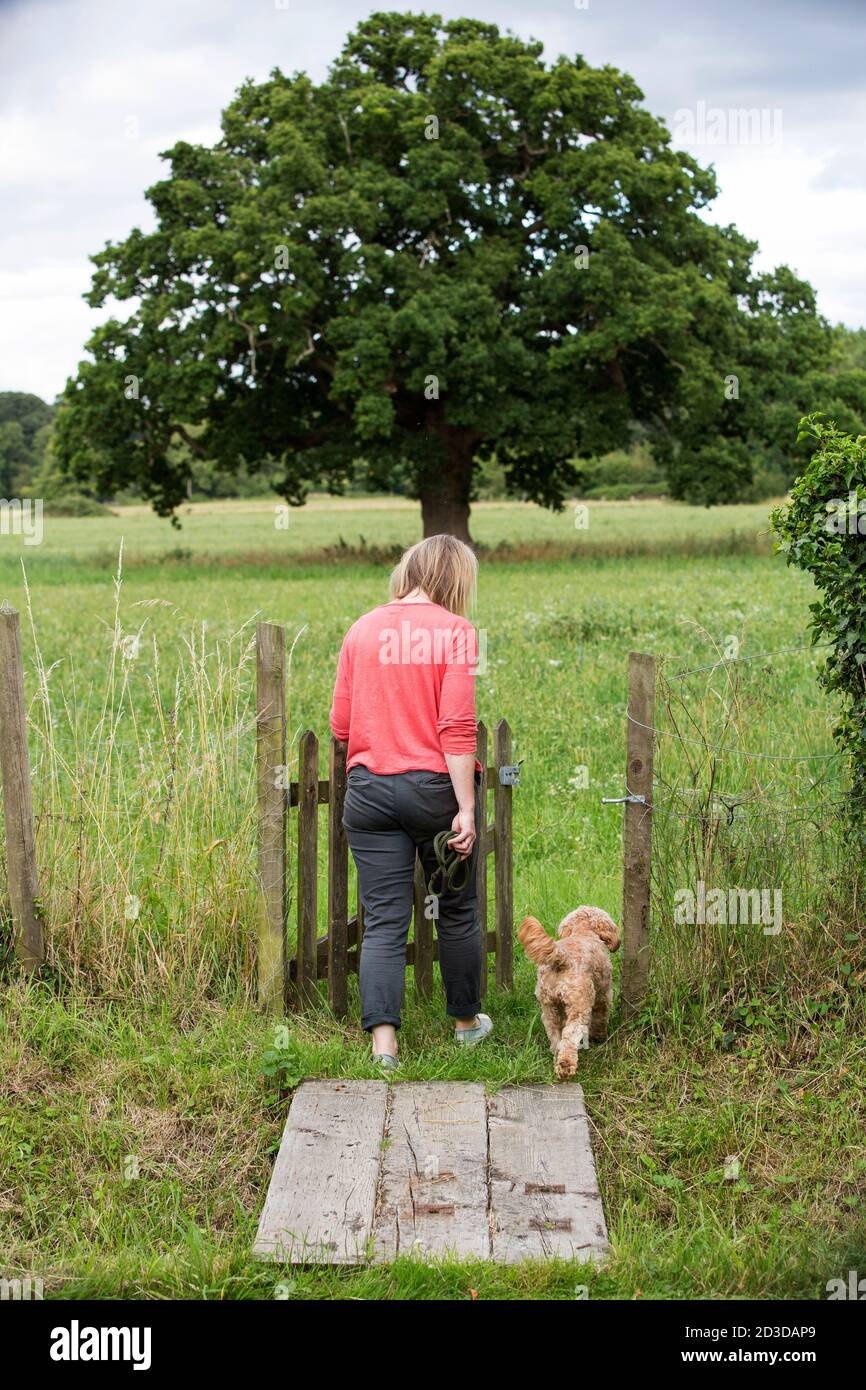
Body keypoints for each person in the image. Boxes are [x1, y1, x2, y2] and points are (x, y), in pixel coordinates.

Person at [329, 533, 493, 1069]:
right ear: (454, 578)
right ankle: (466, 1027)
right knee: (457, 909)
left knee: (382, 920)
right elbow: (456, 728)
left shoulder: (361, 628)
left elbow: (340, 725)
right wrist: (465, 809)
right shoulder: (457, 632)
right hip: (431, 791)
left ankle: (384, 1048)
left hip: (370, 791)